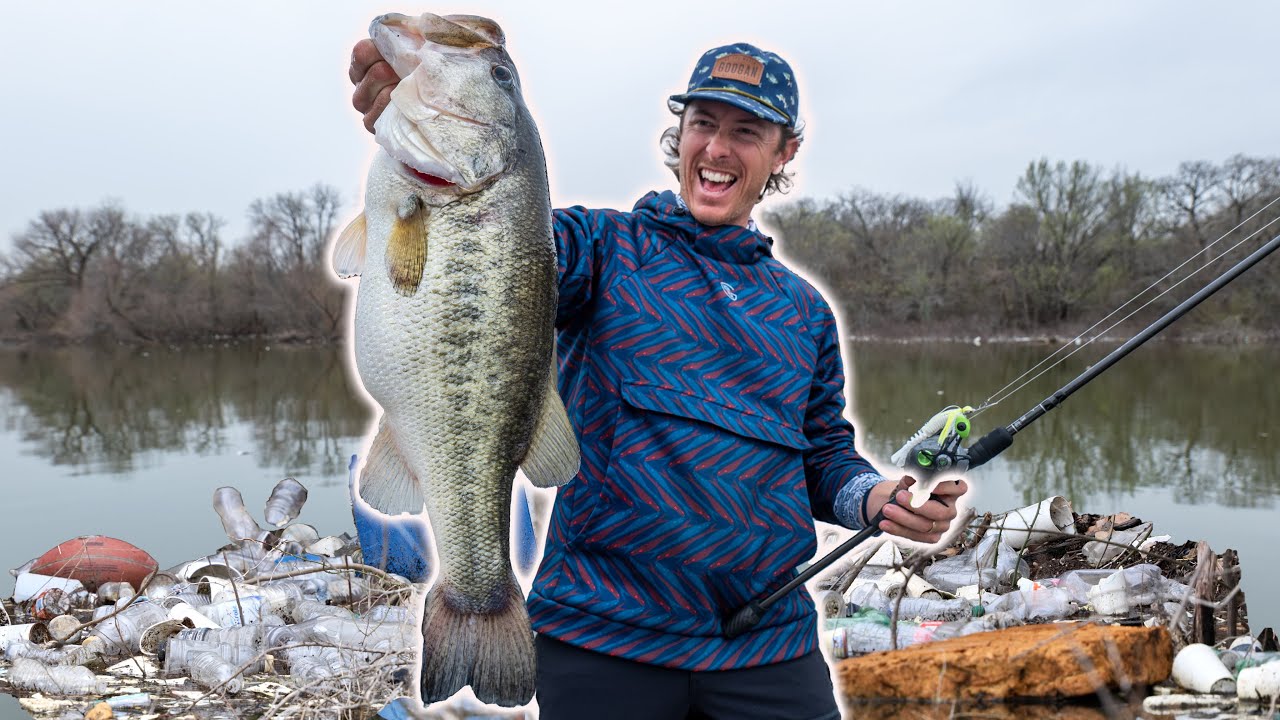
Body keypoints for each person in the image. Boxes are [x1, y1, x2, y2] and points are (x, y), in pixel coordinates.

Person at [350, 34, 968, 720]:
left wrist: (873, 496)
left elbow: (823, 454)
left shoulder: (804, 312)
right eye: (703, 124)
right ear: (680, 135)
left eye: (746, 131)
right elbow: (501, 246)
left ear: (784, 152)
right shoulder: (602, 249)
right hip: (602, 637)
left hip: (765, 645)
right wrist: (421, 127)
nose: (717, 149)